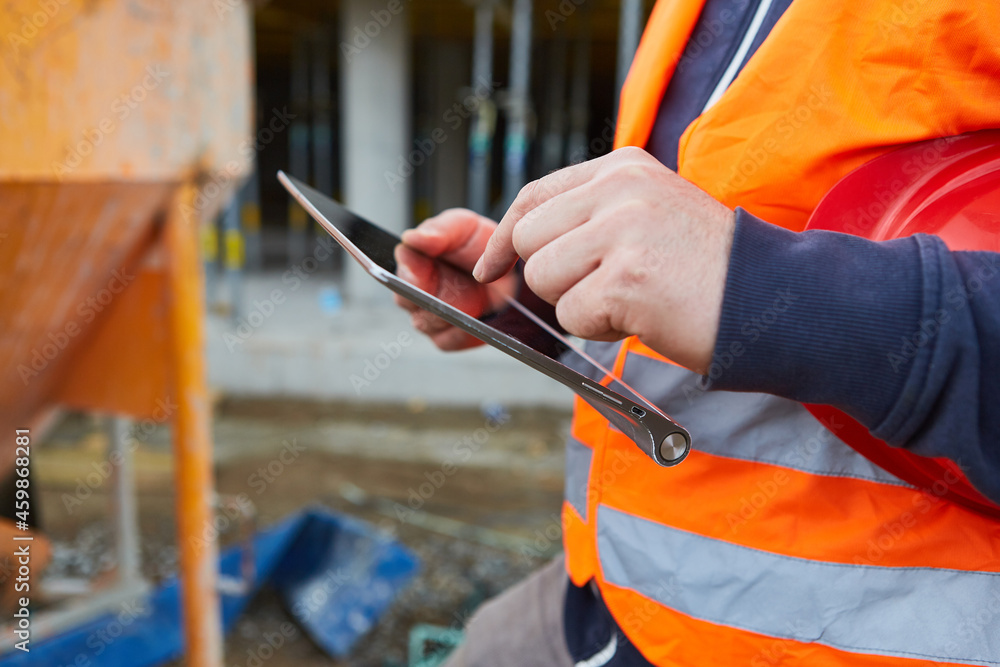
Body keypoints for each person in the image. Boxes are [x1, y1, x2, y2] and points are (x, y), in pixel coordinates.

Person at [395, 0, 1000, 664]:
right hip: (606, 593)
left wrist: (757, 287)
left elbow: (722, 274)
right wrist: (523, 295)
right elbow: (686, 263)